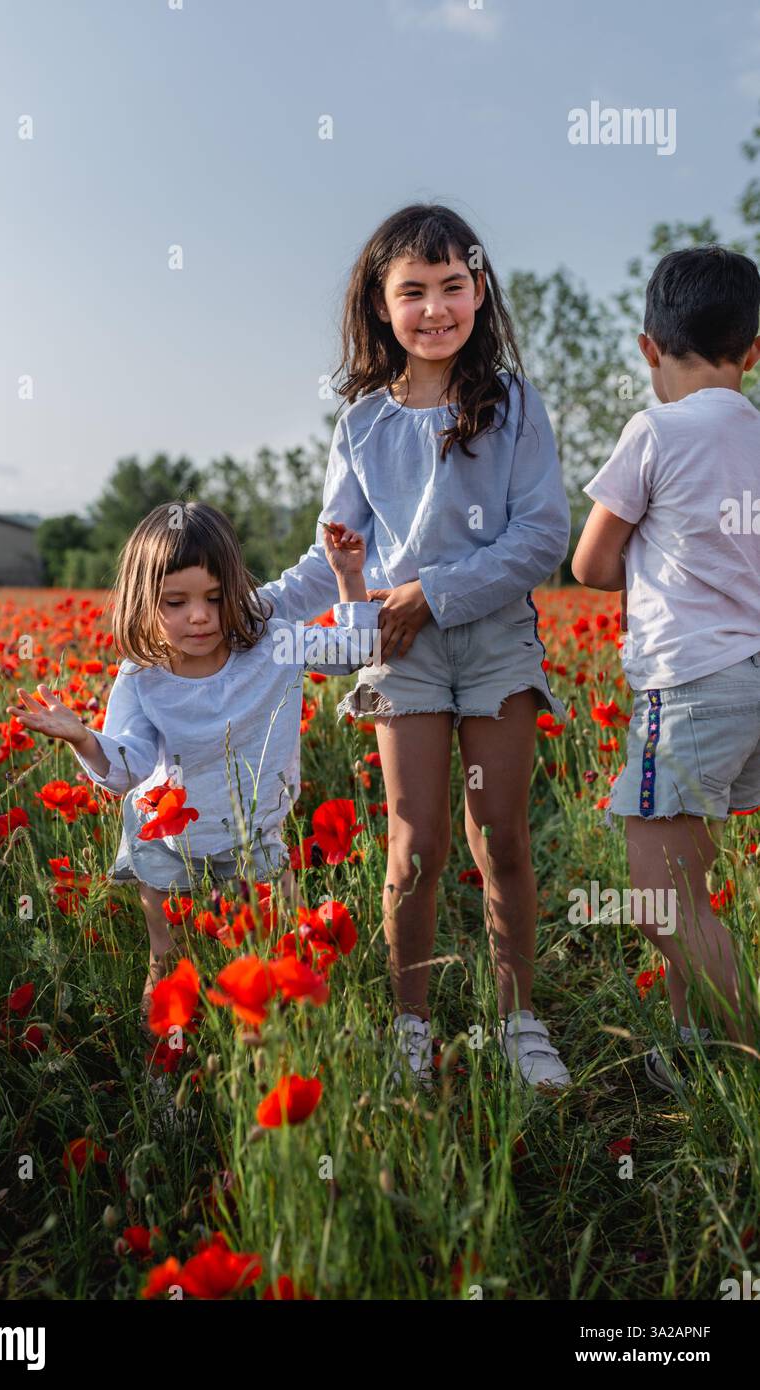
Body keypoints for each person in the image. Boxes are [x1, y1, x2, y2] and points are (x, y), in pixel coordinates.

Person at [258, 204, 572, 1090]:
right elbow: (333, 558)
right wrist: (256, 611)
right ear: (379, 303)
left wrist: (434, 591)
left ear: (479, 291)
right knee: (415, 843)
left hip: (495, 636)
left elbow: (542, 535)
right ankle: (411, 1024)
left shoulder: (510, 404)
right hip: (404, 653)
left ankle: (521, 1021)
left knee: (502, 835)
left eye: (452, 287)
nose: (435, 308)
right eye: (413, 292)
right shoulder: (362, 424)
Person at [7, 500, 380, 1039]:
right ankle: (165, 1079)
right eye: (175, 602)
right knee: (168, 962)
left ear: (237, 588)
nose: (199, 616)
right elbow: (129, 766)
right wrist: (86, 738)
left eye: (214, 597)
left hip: (257, 836)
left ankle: (275, 1053)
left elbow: (354, 651)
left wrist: (348, 576)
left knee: (284, 950)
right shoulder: (143, 677)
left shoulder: (274, 644)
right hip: (167, 843)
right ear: (143, 602)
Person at [572, 245, 760, 1093]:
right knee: (696, 881)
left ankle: (745, 1048)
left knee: (660, 898)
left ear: (650, 348)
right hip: (752, 679)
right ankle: (692, 1056)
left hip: (689, 685)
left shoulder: (653, 429)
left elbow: (591, 564)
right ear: (753, 351)